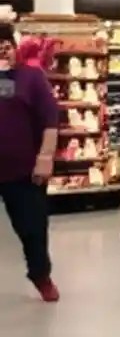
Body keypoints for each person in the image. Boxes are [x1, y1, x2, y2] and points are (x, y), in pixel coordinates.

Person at [0, 23, 59, 302]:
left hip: (23, 171)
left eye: (6, 43)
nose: (2, 49)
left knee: (33, 229)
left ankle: (40, 275)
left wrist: (45, 159)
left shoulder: (31, 77)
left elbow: (50, 120)